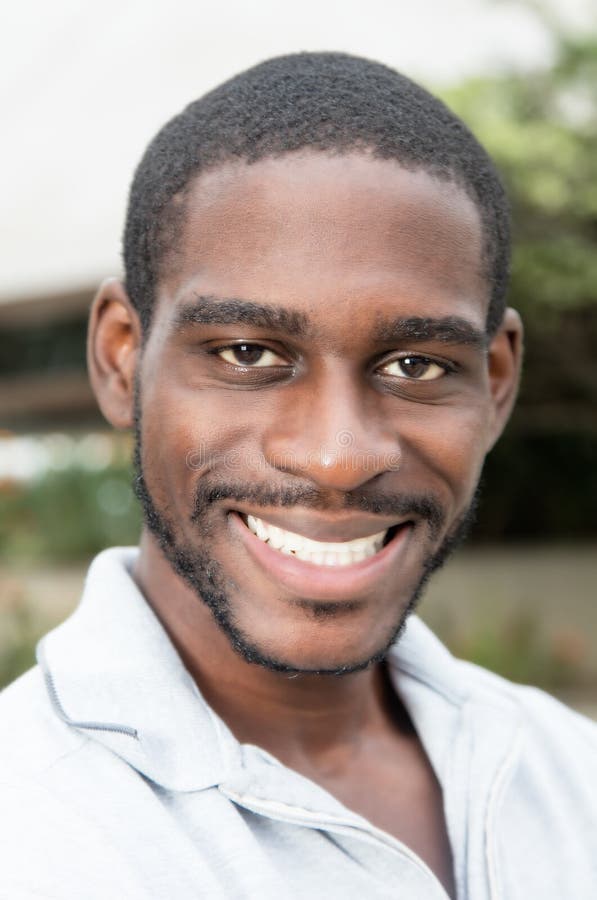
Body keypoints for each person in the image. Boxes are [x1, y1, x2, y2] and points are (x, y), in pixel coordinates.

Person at [1, 52, 595, 900]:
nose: (338, 456)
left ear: (495, 382)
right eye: (248, 354)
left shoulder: (567, 773)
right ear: (121, 358)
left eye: (416, 365)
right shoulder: (28, 827)